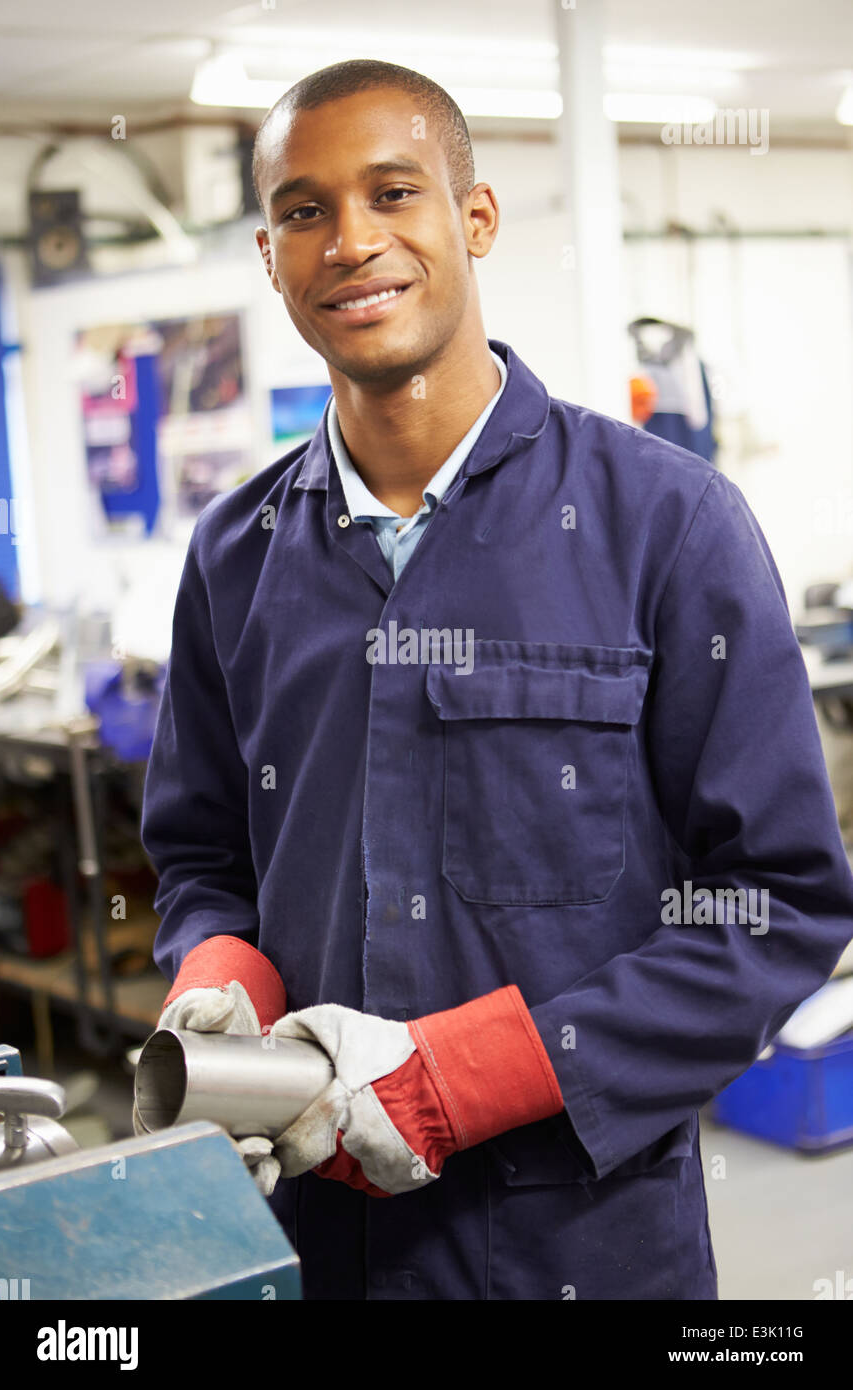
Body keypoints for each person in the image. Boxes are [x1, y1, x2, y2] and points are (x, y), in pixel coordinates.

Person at [140, 58, 853, 1301]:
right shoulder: (235, 554)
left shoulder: (665, 526)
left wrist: (459, 1077)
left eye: (393, 192)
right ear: (269, 256)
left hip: (580, 1246)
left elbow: (777, 904)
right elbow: (205, 858)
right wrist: (221, 977)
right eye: (304, 210)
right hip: (320, 1245)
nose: (351, 241)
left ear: (472, 219)